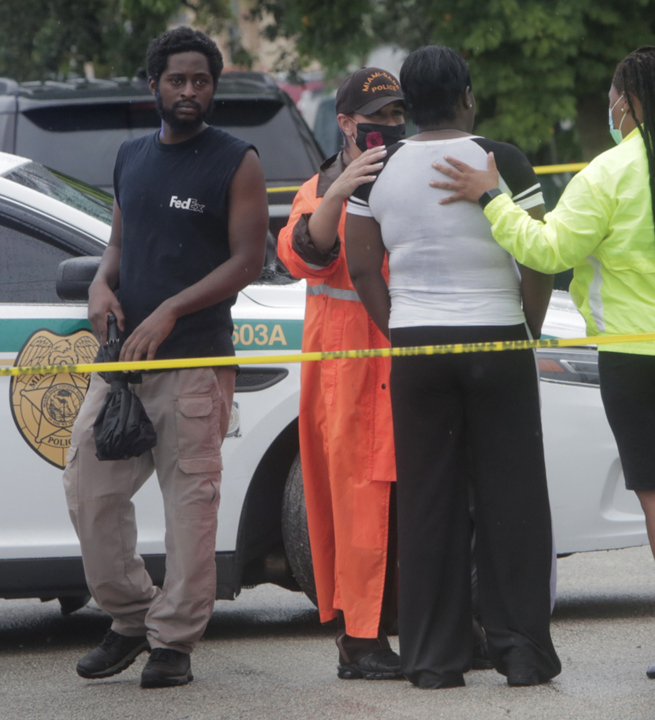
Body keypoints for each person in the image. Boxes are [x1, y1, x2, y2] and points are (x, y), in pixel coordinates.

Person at [429, 45, 655, 679]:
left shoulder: (609, 173)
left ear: (626, 103)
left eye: (612, 96)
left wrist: (494, 198)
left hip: (640, 355)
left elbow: (548, 250)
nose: (609, 106)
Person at [343, 45, 560, 689]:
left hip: (418, 346)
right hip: (497, 338)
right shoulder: (504, 160)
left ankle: (434, 659)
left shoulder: (378, 169)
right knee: (511, 497)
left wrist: (399, 330)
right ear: (467, 96)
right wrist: (528, 327)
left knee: (428, 501)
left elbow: (359, 265)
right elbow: (540, 258)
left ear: (408, 104)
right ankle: (522, 651)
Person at [63, 27, 268, 689]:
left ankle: (174, 642)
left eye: (201, 81)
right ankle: (128, 614)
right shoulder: (131, 156)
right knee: (88, 489)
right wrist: (100, 284)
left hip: (195, 363)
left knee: (190, 509)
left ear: (213, 88)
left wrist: (172, 309)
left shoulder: (236, 161)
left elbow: (246, 261)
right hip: (123, 363)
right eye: (177, 80)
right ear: (153, 85)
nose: (189, 92)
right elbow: (118, 248)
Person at [277, 67, 405, 681]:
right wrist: (342, 190)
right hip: (348, 377)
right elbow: (303, 252)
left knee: (419, 503)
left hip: (404, 364)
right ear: (347, 124)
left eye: (397, 117)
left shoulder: (411, 179)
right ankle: (361, 640)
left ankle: (442, 623)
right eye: (374, 119)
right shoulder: (323, 185)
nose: (387, 129)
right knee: (357, 509)